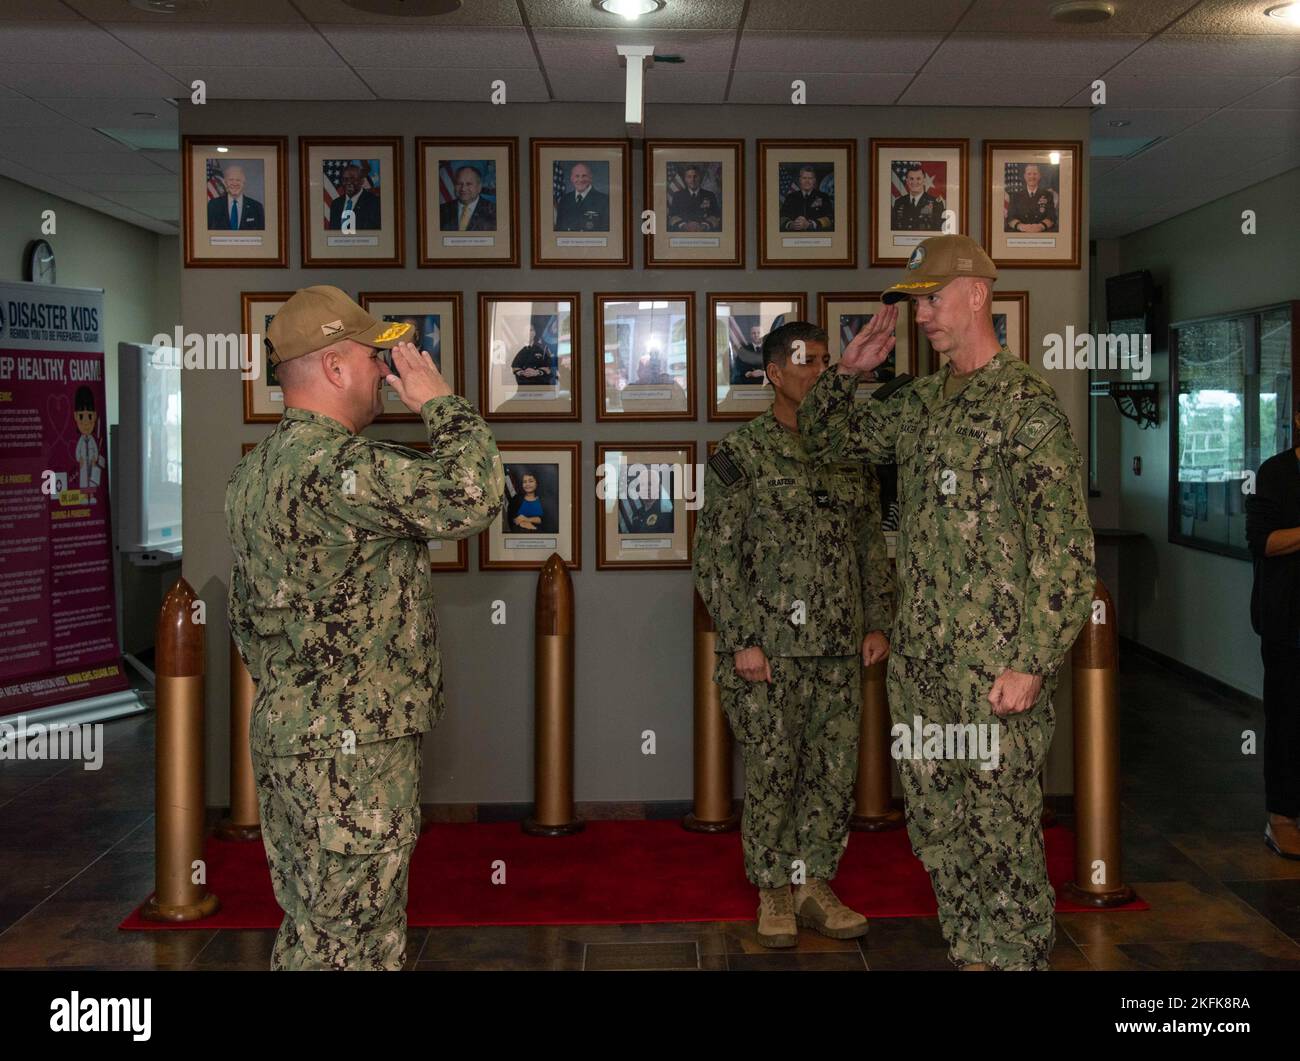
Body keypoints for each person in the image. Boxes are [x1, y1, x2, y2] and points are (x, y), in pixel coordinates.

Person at [797, 234, 1095, 971]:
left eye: (931, 298)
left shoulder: (1026, 404)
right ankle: (973, 954)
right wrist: (847, 371)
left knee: (1002, 832)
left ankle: (1018, 958)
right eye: (914, 302)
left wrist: (1031, 661)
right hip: (923, 668)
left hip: (995, 674)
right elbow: (828, 439)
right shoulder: (922, 401)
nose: (922, 314)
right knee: (937, 826)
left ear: (976, 294)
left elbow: (1066, 548)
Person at [225, 285, 503, 971]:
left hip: (290, 738)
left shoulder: (251, 476)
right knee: (358, 943)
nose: (386, 371)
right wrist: (439, 399)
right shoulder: (345, 470)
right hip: (353, 755)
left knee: (314, 932)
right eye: (372, 358)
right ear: (334, 368)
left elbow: (246, 617)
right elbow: (477, 493)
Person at [695, 321, 895, 948]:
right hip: (769, 651)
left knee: (833, 774)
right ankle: (773, 890)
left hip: (838, 646)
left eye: (825, 363)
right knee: (774, 771)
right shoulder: (741, 454)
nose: (817, 374)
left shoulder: (848, 451)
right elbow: (715, 557)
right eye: (804, 363)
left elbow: (869, 543)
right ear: (774, 374)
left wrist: (877, 618)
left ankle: (814, 886)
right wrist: (743, 639)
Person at [1245, 408, 1300, 859]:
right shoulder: (1276, 473)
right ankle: (1281, 816)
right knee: (1286, 718)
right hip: (1287, 622)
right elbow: (1262, 542)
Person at [553, 162, 610, 232]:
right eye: (577, 176)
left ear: (590, 178)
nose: (580, 180)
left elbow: (606, 233)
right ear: (571, 178)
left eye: (584, 176)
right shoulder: (564, 200)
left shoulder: (604, 201)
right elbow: (559, 230)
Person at [207, 163, 265, 231]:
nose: (234, 183)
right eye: (231, 180)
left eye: (238, 180)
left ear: (244, 183)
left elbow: (262, 236)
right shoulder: (213, 205)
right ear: (225, 183)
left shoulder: (256, 207)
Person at [439, 165, 497, 232]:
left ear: (479, 187)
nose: (463, 189)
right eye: (459, 184)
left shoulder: (494, 211)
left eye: (469, 184)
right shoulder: (442, 210)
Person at [891, 164, 945, 231]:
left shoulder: (936, 203)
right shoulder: (899, 202)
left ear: (924, 180)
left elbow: (938, 231)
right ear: (907, 181)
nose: (914, 182)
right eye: (911, 179)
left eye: (918, 178)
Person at [1005, 163, 1057, 234]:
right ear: (1025, 176)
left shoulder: (1047, 195)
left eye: (1035, 174)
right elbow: (1010, 217)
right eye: (1029, 174)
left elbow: (1052, 216)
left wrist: (1040, 226)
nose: (1032, 176)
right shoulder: (1016, 196)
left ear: (1039, 176)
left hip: (1042, 235)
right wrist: (1021, 226)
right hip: (1020, 235)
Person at [327, 163, 381, 230]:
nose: (349, 182)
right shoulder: (336, 204)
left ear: (361, 181)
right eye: (345, 179)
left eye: (352, 179)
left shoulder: (374, 202)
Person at [667, 164, 721, 232]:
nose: (692, 180)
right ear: (685, 179)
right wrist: (684, 225)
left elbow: (716, 215)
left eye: (695, 176)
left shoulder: (710, 195)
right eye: (689, 177)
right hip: (683, 233)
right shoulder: (677, 196)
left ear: (700, 178)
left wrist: (704, 225)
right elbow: (672, 215)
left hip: (705, 232)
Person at [780, 166, 834, 232]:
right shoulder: (790, 197)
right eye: (804, 178)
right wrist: (791, 225)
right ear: (800, 180)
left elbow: (830, 219)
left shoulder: (823, 196)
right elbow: (782, 217)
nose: (807, 181)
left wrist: (810, 224)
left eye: (810, 178)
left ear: (814, 180)